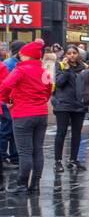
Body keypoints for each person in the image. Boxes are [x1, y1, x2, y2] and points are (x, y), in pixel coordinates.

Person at [0, 40, 54, 193]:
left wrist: (8, 101)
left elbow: (5, 86)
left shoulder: (20, 70)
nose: (20, 57)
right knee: (38, 150)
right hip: (41, 114)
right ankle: (35, 184)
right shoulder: (44, 71)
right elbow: (48, 90)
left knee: (24, 151)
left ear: (27, 56)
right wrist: (41, 101)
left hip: (23, 113)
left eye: (22, 55)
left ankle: (22, 184)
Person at [52, 45, 89, 173]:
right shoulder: (60, 66)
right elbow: (59, 83)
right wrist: (67, 70)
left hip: (79, 104)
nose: (72, 55)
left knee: (77, 133)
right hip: (63, 104)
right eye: (69, 53)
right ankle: (57, 161)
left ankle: (73, 160)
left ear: (78, 54)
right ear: (65, 55)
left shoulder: (84, 67)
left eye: (74, 53)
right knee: (61, 132)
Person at [0, 43, 18, 166]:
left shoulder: (5, 64)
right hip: (5, 102)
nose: (4, 51)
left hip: (5, 102)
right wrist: (10, 102)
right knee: (7, 130)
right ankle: (5, 157)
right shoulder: (6, 65)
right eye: (2, 49)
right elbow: (8, 87)